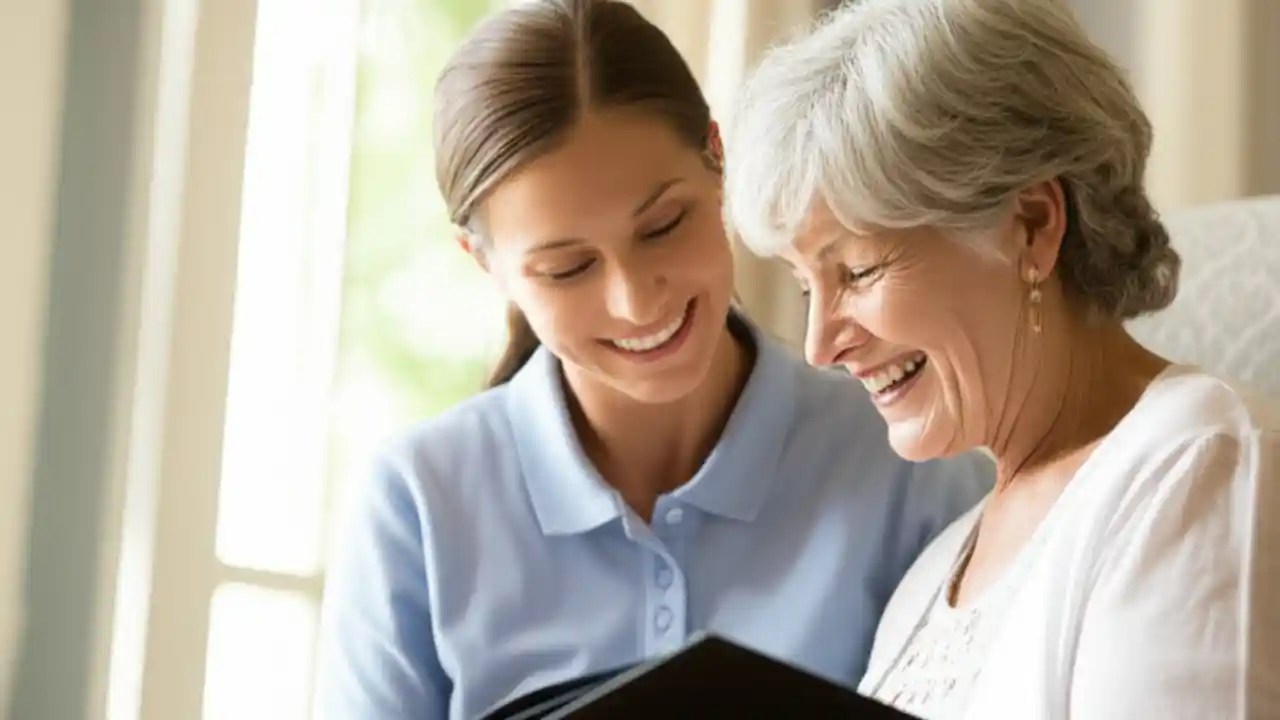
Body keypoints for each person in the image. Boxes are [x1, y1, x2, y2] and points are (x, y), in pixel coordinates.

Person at [316, 1, 992, 718]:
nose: (637, 301)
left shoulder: (910, 472)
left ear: (717, 160)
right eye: (569, 268)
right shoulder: (417, 509)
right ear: (487, 267)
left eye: (664, 225)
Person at [722, 0, 1280, 717]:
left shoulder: (1197, 470)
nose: (821, 344)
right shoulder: (931, 577)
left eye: (857, 272)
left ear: (1032, 225)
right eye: (807, 288)